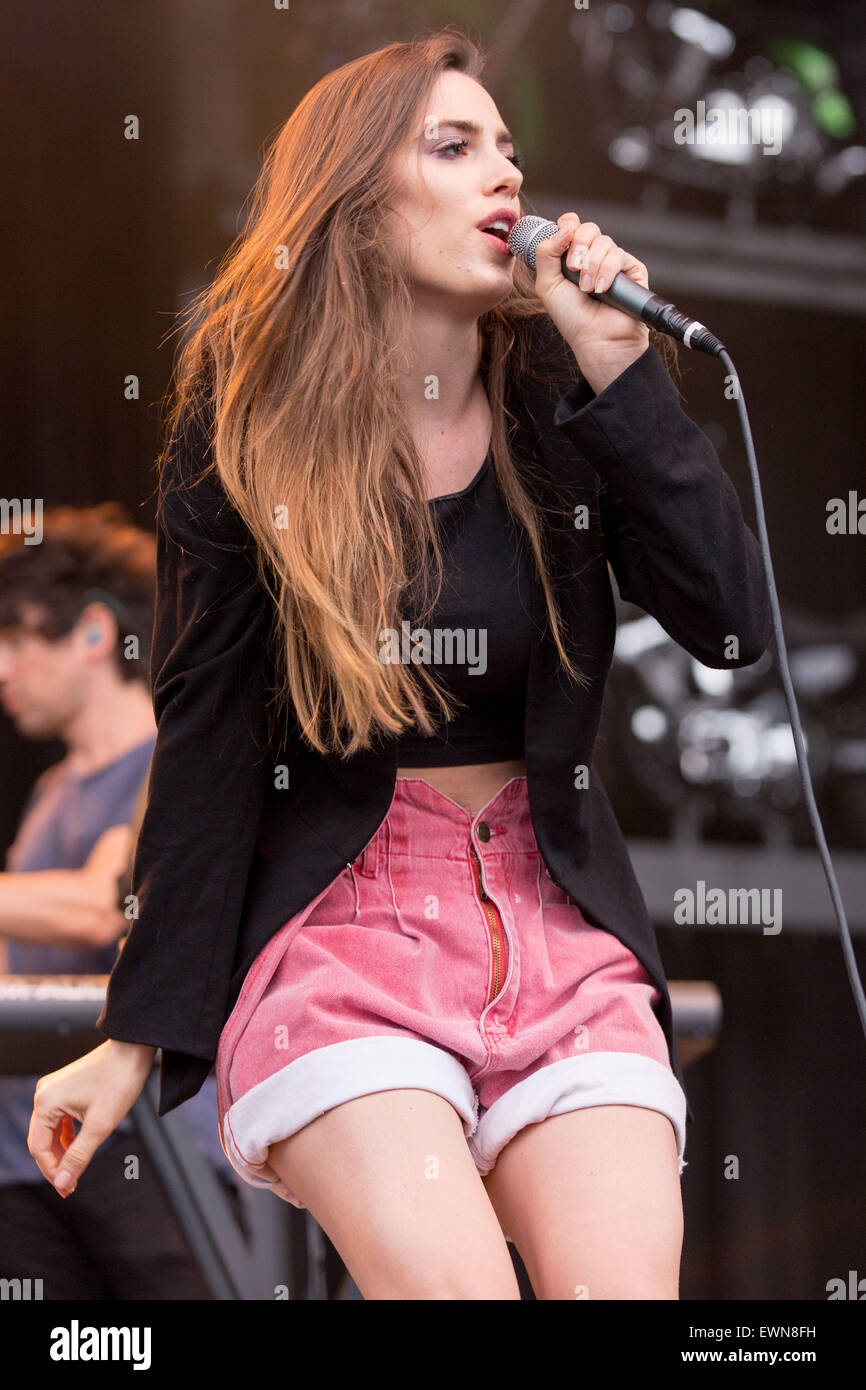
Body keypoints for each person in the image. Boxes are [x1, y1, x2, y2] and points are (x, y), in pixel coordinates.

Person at [26, 30, 771, 1300]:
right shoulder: (245, 434)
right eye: (454, 145)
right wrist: (137, 1029)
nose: (506, 180)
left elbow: (734, 628)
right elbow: (203, 740)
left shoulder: (562, 402)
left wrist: (623, 377)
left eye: (509, 151)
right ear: (357, 203)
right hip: (345, 933)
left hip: (553, 929)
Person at [0, 503, 245, 1298]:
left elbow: (101, 906)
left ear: (95, 635)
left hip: (141, 1140)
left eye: (14, 640)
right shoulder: (48, 790)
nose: (0, 669)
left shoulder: (168, 766)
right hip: (24, 1149)